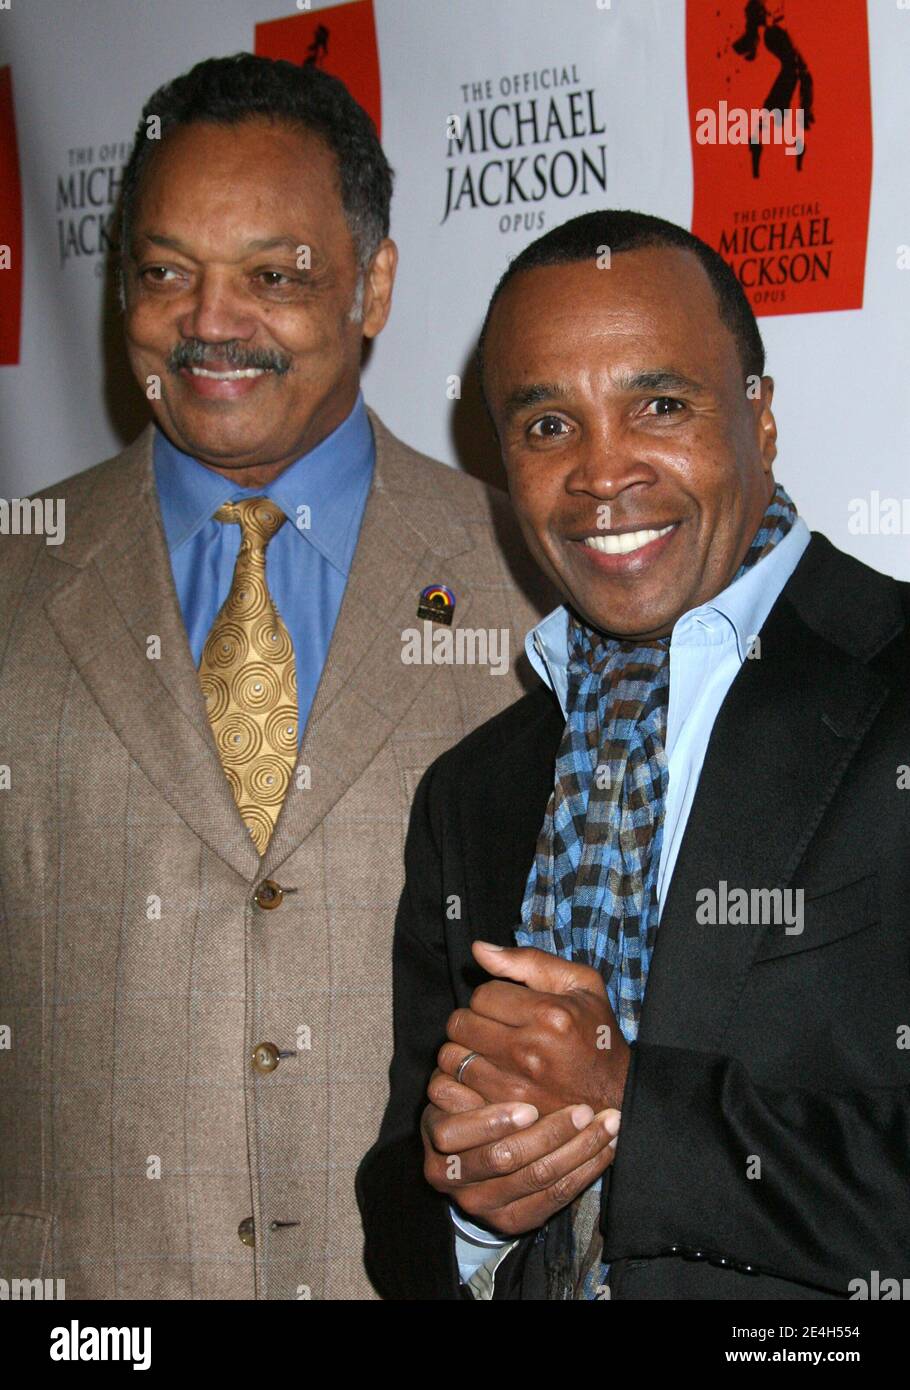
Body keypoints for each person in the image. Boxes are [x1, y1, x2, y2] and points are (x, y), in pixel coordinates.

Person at [0, 53, 552, 1300]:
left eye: (273, 275)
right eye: (165, 271)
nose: (209, 321)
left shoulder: (541, 584)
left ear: (373, 284)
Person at [357, 209, 910, 1300]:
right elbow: (402, 1205)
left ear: (760, 417)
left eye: (658, 405)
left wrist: (623, 1103)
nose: (603, 474)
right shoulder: (472, 789)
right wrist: (471, 1204)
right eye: (547, 425)